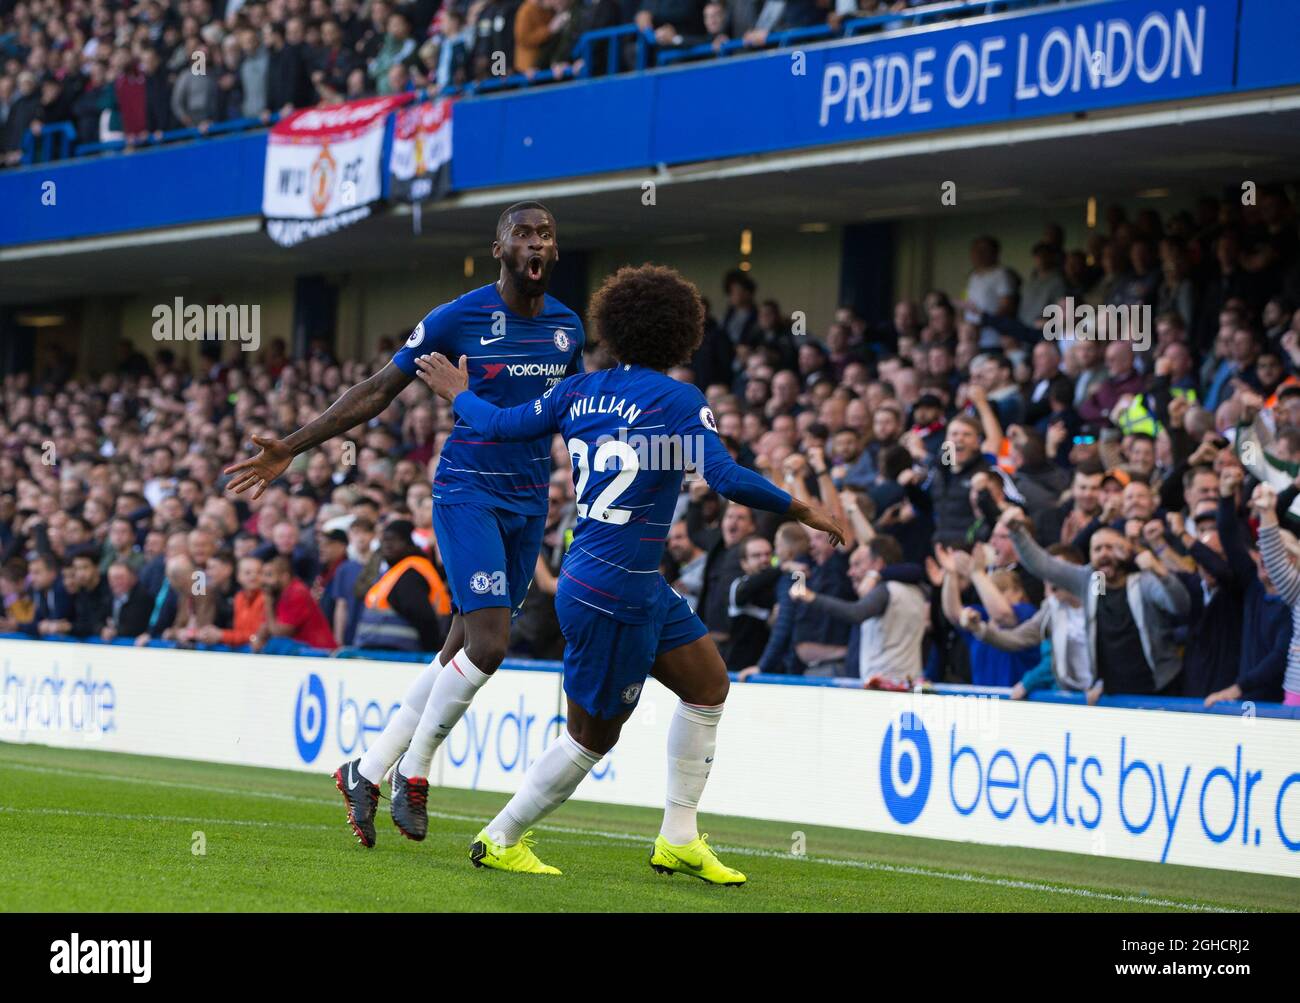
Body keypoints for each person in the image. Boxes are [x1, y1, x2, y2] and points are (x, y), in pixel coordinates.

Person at [414, 263, 845, 880]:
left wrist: (460, 395)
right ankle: (501, 836)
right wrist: (803, 508)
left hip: (619, 579)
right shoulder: (678, 400)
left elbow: (503, 425)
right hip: (612, 592)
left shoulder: (577, 391)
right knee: (592, 738)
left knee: (708, 686)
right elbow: (722, 478)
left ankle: (678, 837)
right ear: (680, 334)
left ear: (613, 327)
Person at [225, 202, 584, 849]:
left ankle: (363, 768)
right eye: (523, 233)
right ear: (499, 248)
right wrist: (293, 445)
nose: (536, 242)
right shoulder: (459, 317)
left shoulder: (567, 329)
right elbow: (374, 390)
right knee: (492, 644)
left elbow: (568, 412)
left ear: (555, 252)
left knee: (460, 647)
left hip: (530, 503)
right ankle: (413, 773)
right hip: (468, 491)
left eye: (546, 234)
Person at [353, 519, 450, 651]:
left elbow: (423, 617)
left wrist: (429, 652)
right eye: (384, 541)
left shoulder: (411, 573)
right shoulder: (400, 570)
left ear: (408, 543)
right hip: (386, 654)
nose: (387, 545)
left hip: (400, 656)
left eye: (393, 540)